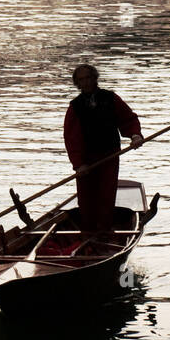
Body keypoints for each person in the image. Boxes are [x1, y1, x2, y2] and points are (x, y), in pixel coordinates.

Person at [63, 63, 143, 233]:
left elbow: (127, 119)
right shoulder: (75, 107)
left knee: (106, 195)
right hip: (86, 160)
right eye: (81, 80)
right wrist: (79, 164)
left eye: (88, 78)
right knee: (86, 199)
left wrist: (135, 135)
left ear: (95, 78)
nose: (85, 82)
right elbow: (72, 138)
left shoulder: (111, 98)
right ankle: (87, 232)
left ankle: (105, 232)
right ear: (77, 83)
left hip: (109, 156)